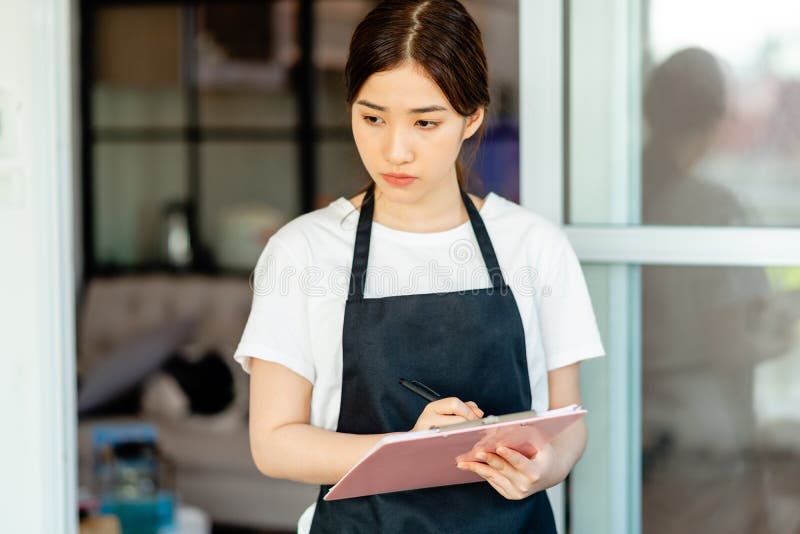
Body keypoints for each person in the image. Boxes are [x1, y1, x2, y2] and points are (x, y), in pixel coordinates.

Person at [234, 1, 605, 532]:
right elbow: (273, 443)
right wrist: (407, 448)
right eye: (372, 118)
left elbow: (568, 423)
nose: (395, 150)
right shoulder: (304, 251)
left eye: (425, 122)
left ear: (471, 118)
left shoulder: (534, 246)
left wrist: (546, 468)